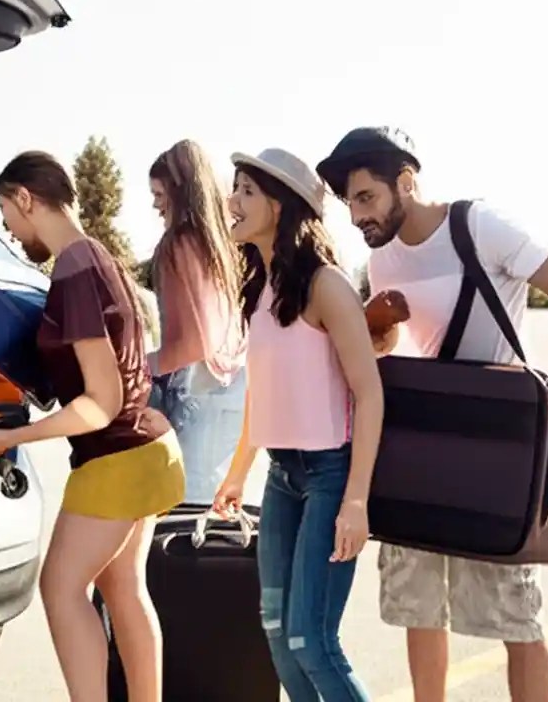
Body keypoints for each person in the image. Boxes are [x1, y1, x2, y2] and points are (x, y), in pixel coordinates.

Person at [315, 126, 548, 702]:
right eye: (349, 203)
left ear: (406, 180)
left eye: (366, 197)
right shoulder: (382, 257)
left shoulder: (479, 226)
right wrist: (376, 325)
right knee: (420, 610)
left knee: (516, 617)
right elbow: (388, 348)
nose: (357, 216)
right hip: (424, 441)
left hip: (498, 447)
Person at [0, 150, 186, 702]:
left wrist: (9, 439)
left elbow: (100, 402)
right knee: (123, 588)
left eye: (5, 210)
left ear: (25, 198)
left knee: (61, 589)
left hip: (115, 459)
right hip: (148, 450)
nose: (8, 228)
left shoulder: (72, 268)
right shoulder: (100, 258)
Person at [213, 147, 383, 702]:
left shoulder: (326, 285)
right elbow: (261, 392)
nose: (232, 202)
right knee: (279, 638)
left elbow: (369, 393)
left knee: (312, 641)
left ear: (280, 206)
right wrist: (238, 473)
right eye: (235, 189)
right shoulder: (259, 288)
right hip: (281, 477)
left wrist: (356, 501)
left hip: (330, 477)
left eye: (246, 191)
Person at [146, 139, 250, 505]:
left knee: (183, 512)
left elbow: (195, 343)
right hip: (231, 385)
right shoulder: (221, 245)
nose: (155, 204)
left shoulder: (179, 244)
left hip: (198, 390)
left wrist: (139, 365)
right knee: (207, 511)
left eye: (159, 194)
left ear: (179, 191)